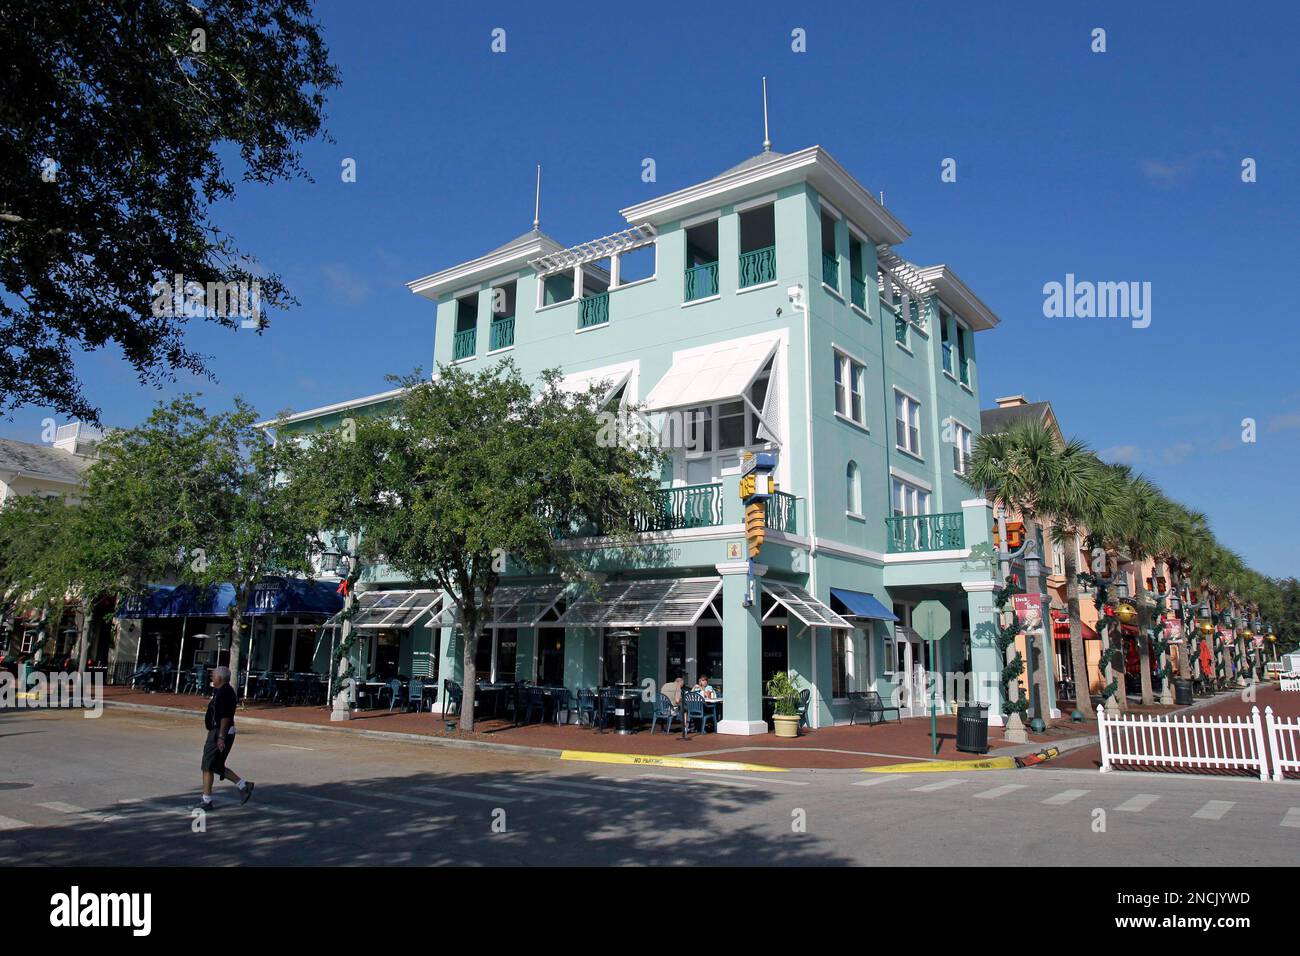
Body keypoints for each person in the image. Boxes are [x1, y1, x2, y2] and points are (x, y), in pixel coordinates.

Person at [197, 666, 253, 809]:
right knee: (215, 765)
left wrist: (221, 737)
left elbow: (226, 717)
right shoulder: (221, 691)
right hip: (218, 731)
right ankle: (243, 786)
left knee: (208, 765)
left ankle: (207, 800)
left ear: (220, 678)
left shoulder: (225, 693)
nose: (212, 677)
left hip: (219, 732)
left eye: (214, 675)